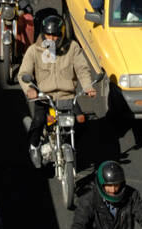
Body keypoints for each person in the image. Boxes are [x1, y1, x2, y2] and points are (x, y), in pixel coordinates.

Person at [17, 15, 96, 168]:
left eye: (55, 35)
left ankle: (66, 142)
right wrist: (30, 89)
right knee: (39, 121)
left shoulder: (72, 48)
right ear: (42, 34)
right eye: (48, 35)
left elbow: (82, 69)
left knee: (81, 121)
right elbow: (23, 74)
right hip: (44, 96)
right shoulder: (34, 50)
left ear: (62, 34)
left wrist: (88, 87)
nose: (51, 39)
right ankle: (34, 146)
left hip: (67, 96)